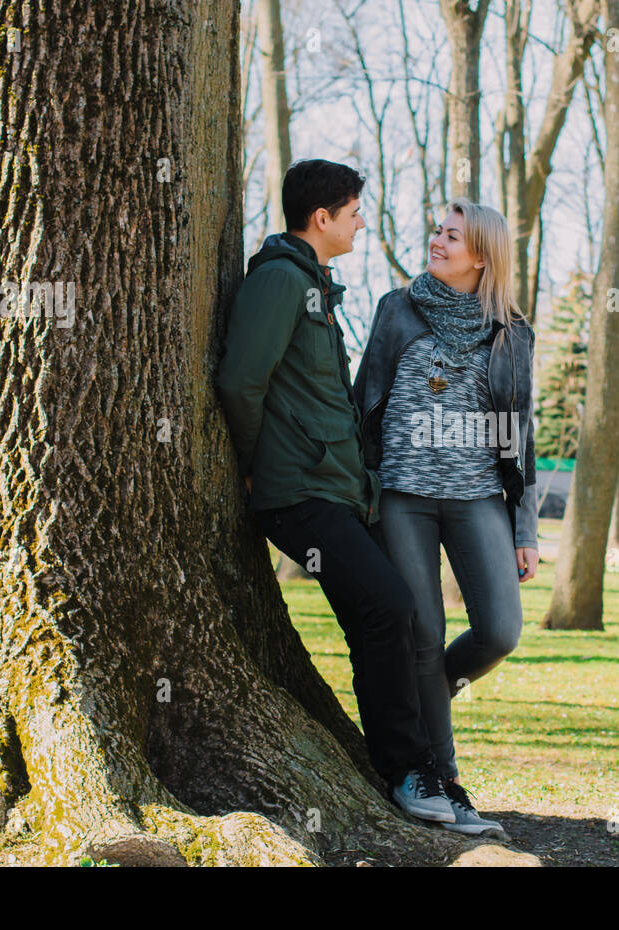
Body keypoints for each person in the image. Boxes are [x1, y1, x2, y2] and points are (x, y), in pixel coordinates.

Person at [215, 159, 453, 824]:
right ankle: (407, 773)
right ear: (321, 218)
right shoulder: (280, 283)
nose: (360, 223)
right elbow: (240, 381)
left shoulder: (314, 285)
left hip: (341, 492)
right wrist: (250, 462)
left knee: (397, 619)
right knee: (388, 608)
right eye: (353, 212)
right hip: (297, 494)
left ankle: (424, 772)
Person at [354, 199, 539, 839]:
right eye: (436, 230)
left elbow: (520, 433)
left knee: (500, 632)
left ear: (482, 255)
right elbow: (364, 402)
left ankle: (429, 695)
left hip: (480, 498)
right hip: (402, 496)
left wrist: (525, 530)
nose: (438, 241)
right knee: (423, 638)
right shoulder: (395, 309)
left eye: (452, 236)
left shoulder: (511, 330)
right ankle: (444, 778)